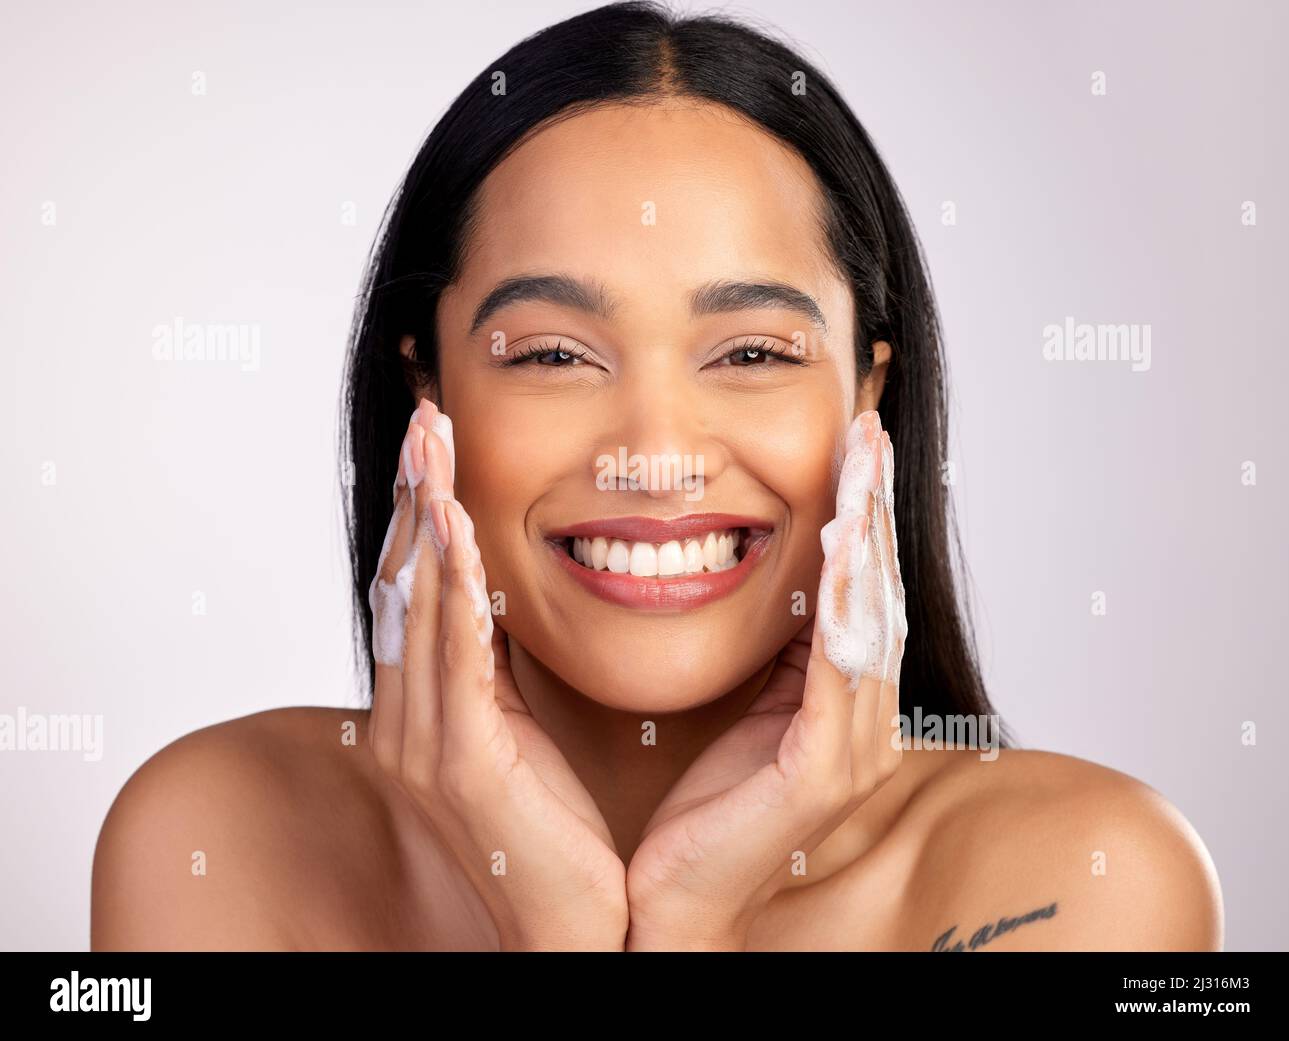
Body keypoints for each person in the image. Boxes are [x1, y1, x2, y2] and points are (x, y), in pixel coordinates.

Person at [91, 1, 1223, 951]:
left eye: (751, 355)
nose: (653, 452)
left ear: (868, 398)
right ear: (425, 395)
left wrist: (692, 928)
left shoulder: (1095, 879)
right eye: (550, 355)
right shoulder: (217, 840)